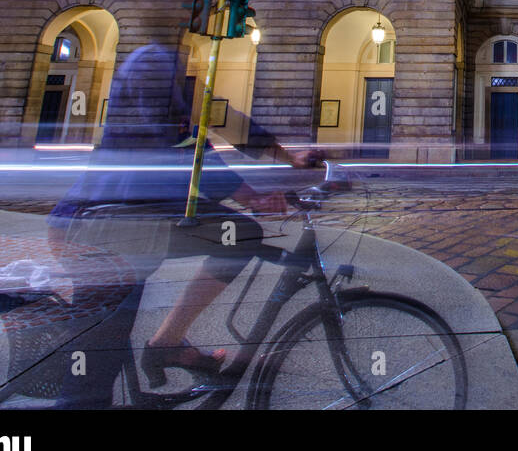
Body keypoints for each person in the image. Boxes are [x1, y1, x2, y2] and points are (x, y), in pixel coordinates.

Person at [46, 43, 316, 385]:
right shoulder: (151, 60)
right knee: (93, 369)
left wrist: (288, 157)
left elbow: (214, 116)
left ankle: (167, 344)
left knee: (237, 235)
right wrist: (247, 195)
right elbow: (179, 141)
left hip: (126, 220)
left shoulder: (167, 62)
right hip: (99, 223)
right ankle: (156, 350)